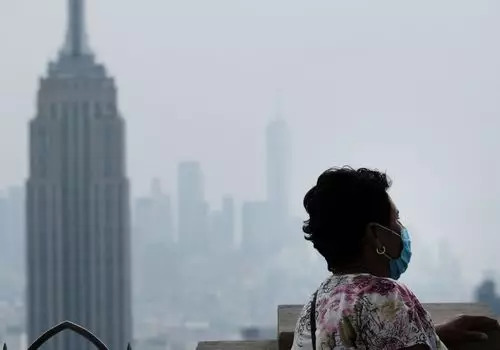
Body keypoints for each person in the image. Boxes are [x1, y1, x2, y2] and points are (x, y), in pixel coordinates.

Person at [291, 167, 500, 350]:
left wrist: (432, 334)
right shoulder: (387, 295)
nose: (401, 229)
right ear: (375, 235)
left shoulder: (315, 305)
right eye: (396, 218)